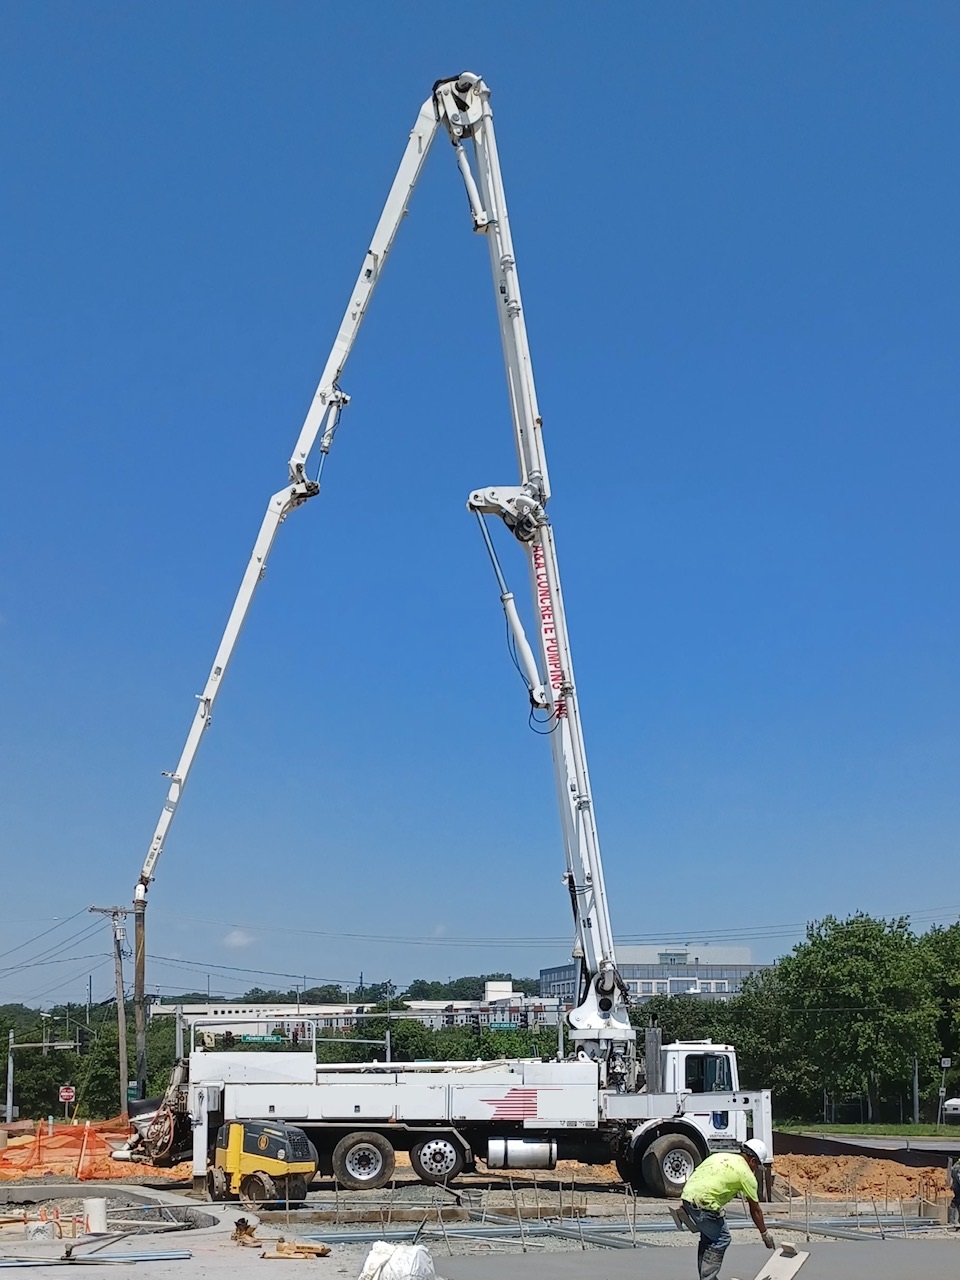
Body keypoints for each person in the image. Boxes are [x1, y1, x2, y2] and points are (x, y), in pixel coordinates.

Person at [679, 1138, 775, 1280]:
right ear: (753, 1160)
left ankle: (706, 1277)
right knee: (722, 1238)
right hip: (705, 1205)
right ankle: (708, 1278)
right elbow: (755, 1210)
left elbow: (699, 1175)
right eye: (756, 1166)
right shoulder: (746, 1174)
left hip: (688, 1197)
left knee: (708, 1239)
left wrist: (688, 1199)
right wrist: (764, 1234)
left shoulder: (720, 1156)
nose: (755, 1169)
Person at [948, 1159, 960, 1225]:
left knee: (956, 1201)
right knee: (957, 1200)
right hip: (958, 1187)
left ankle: (954, 1220)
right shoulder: (957, 1168)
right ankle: (953, 1220)